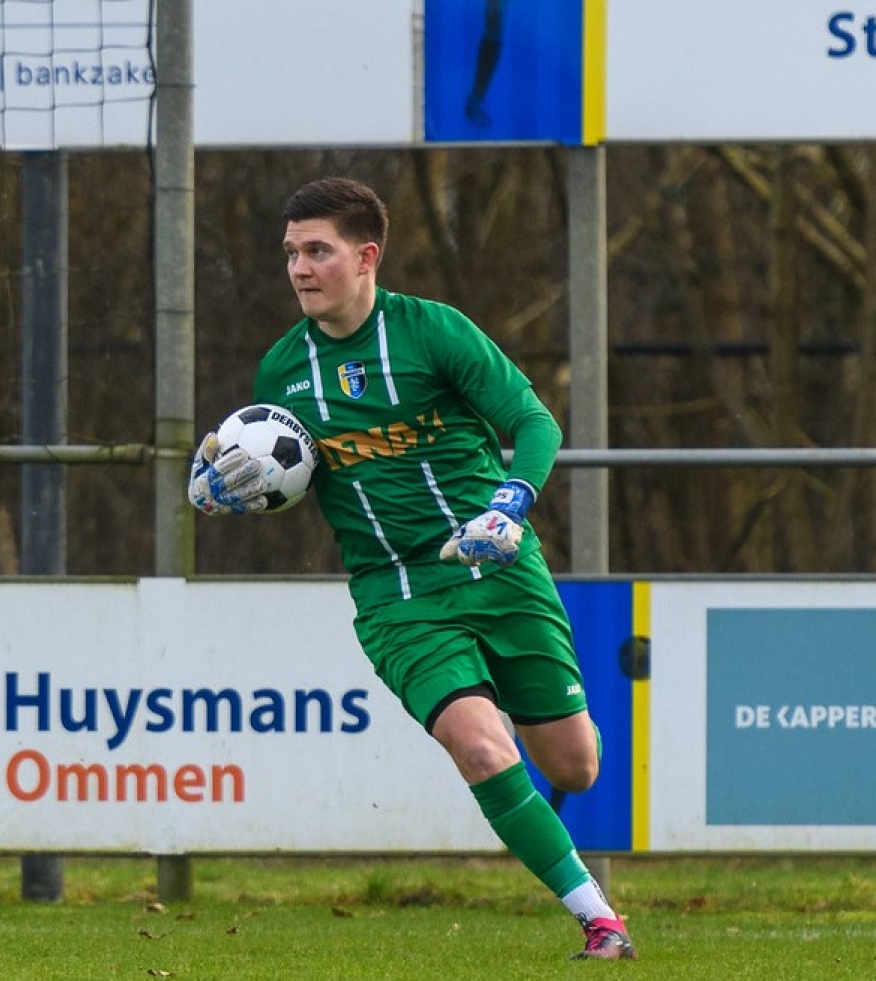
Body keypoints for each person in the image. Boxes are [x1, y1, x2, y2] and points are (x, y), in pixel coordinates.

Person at [189, 176, 637, 961]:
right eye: (291, 253)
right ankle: (599, 920)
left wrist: (508, 505)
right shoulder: (282, 374)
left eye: (318, 251)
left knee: (577, 766)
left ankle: (532, 705)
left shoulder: (434, 332)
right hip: (397, 596)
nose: (299, 268)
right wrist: (230, 490)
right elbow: (288, 476)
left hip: (499, 566)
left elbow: (533, 420)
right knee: (481, 747)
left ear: (367, 257)